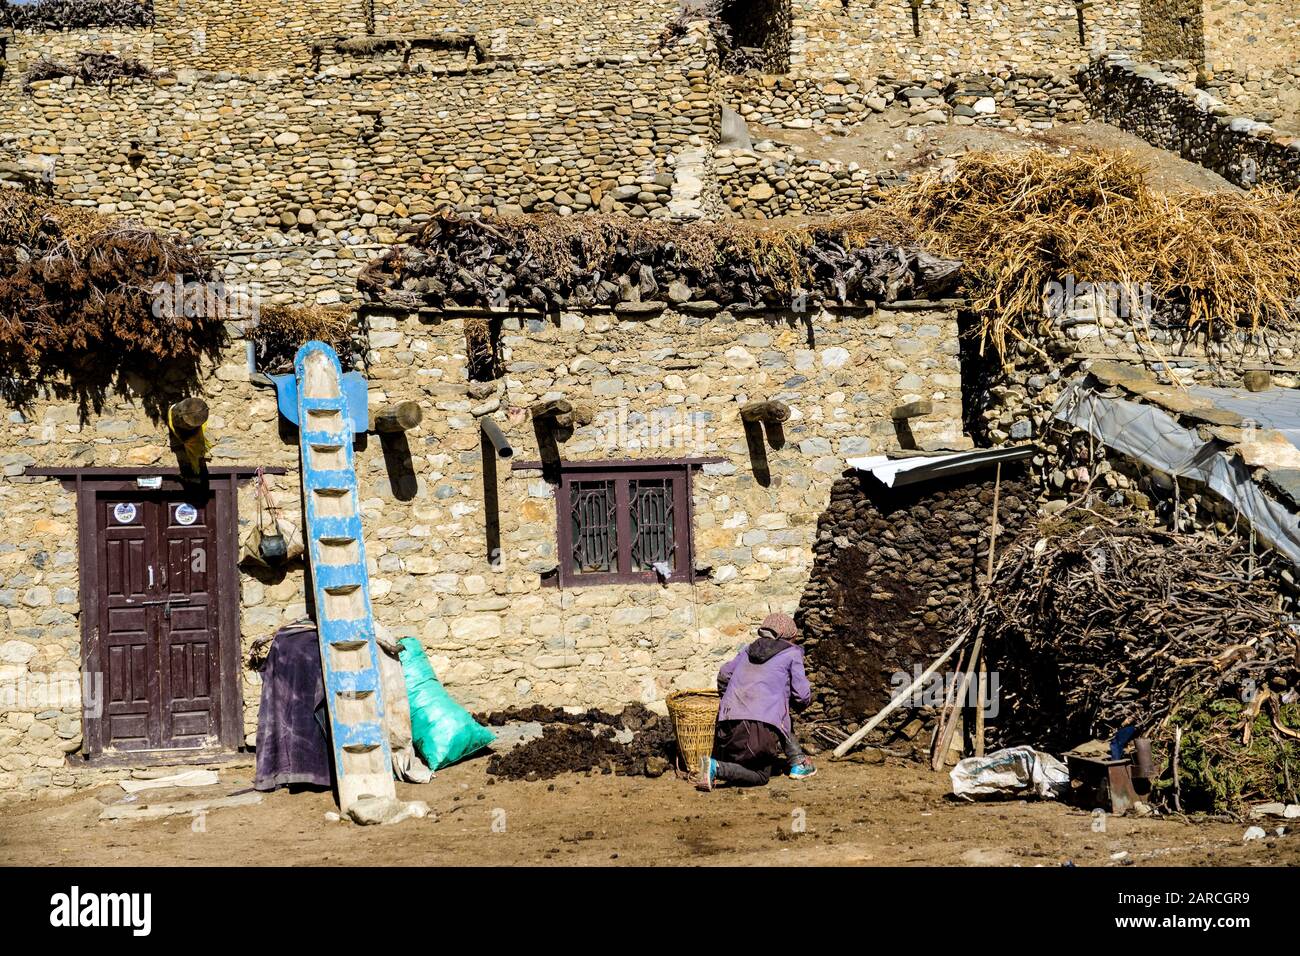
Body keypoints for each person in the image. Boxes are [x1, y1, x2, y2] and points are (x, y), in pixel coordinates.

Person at [697, 612, 816, 791]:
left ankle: (797, 760)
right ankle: (716, 768)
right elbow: (802, 695)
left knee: (776, 714)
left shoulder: (747, 650)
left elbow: (724, 675)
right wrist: (796, 704)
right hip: (757, 730)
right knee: (760, 775)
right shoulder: (792, 653)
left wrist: (729, 699)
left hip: (726, 725)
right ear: (790, 637)